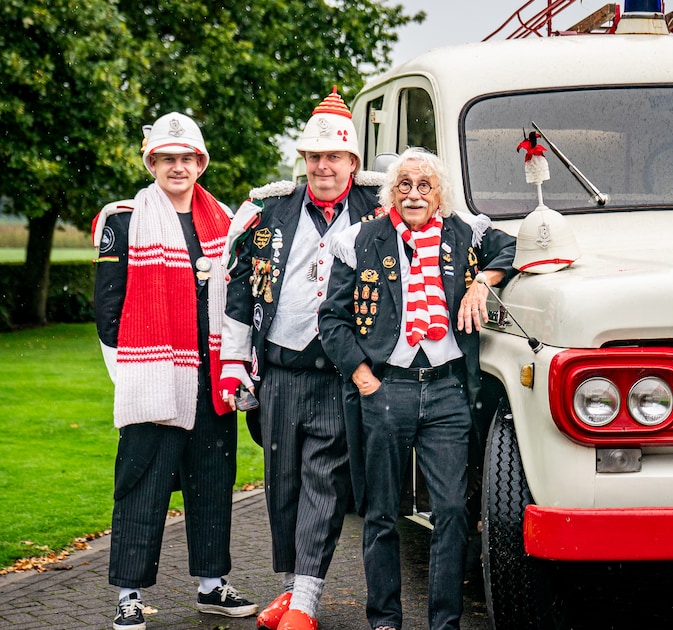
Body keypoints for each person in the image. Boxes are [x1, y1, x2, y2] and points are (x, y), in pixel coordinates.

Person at [318, 147, 517, 630]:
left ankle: (444, 622)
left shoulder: (463, 234)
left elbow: (511, 247)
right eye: (404, 185)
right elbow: (332, 319)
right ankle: (385, 619)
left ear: (439, 194)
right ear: (391, 193)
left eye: (424, 185)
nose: (414, 194)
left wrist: (480, 284)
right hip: (387, 390)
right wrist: (364, 379)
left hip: (448, 390)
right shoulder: (361, 240)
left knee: (450, 511)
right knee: (382, 512)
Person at [218, 88, 383, 630]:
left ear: (353, 163)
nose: (322, 167)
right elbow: (240, 290)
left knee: (324, 483)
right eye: (314, 157)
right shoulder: (270, 211)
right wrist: (235, 363)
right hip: (280, 371)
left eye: (334, 157)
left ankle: (306, 603)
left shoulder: (379, 211)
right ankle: (293, 591)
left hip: (340, 371)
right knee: (282, 483)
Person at [93, 112, 258, 630]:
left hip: (210, 375)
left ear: (200, 162)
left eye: (187, 158)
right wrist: (132, 373)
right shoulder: (123, 220)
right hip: (154, 373)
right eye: (168, 158)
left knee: (212, 482)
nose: (178, 167)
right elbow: (108, 308)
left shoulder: (223, 219)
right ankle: (129, 594)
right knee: (141, 483)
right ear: (152, 162)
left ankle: (212, 585)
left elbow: (236, 297)